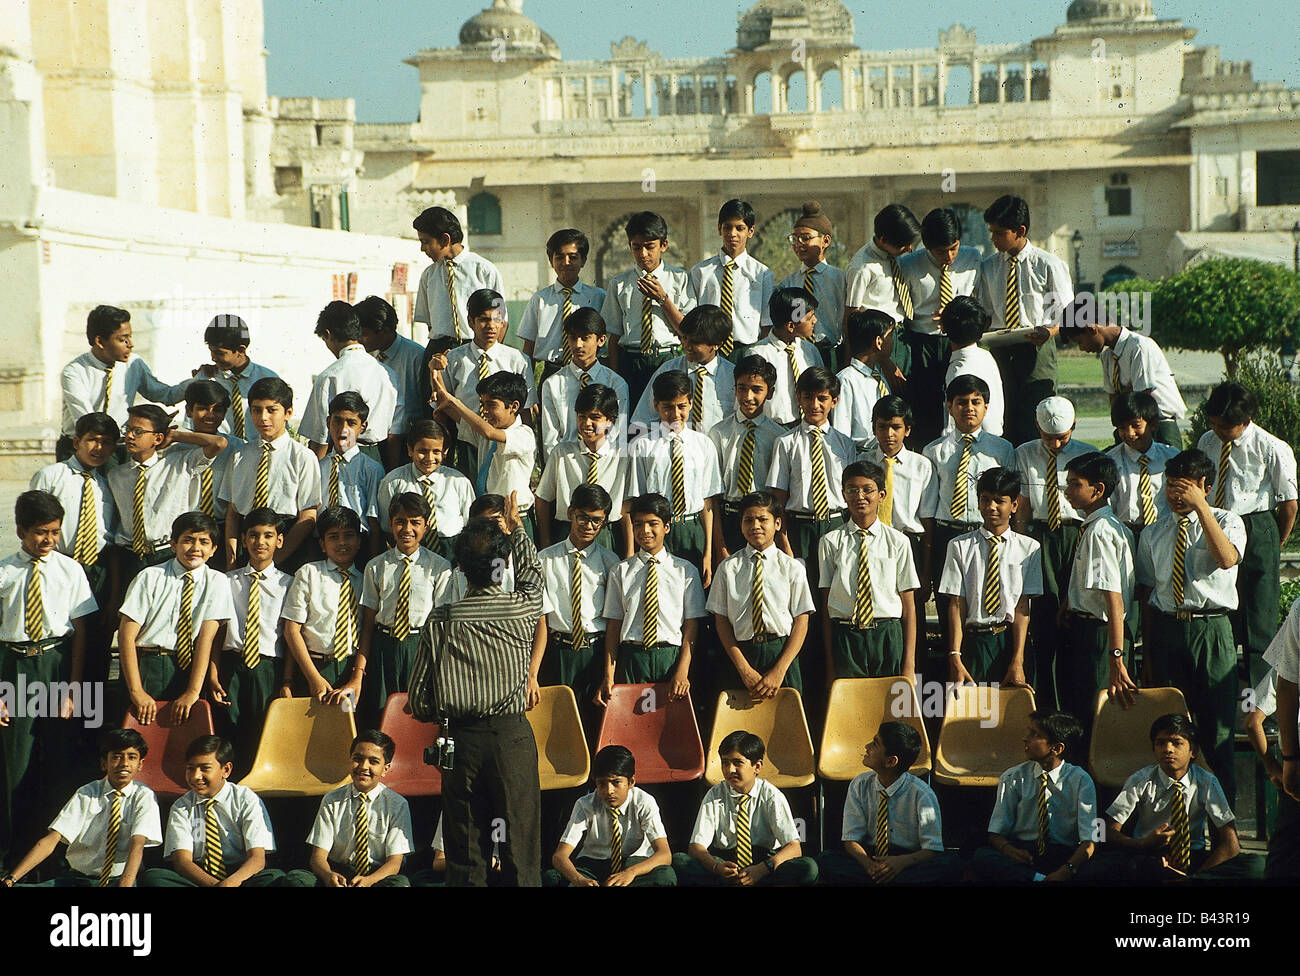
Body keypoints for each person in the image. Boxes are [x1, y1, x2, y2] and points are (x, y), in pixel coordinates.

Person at [408, 491, 544, 887]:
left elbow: (418, 700)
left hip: (459, 741)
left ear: (462, 568)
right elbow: (535, 576)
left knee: (466, 850)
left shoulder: (442, 618)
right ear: (501, 566)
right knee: (520, 843)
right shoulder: (521, 608)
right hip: (511, 737)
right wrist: (517, 531)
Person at [1136, 449, 1245, 803]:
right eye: (1169, 486)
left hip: (1211, 630)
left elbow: (1227, 559)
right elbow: (1149, 593)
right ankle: (1177, 818)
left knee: (1217, 730)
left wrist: (1201, 508)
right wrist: (1149, 654)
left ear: (1203, 486)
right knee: (1171, 729)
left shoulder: (1228, 521)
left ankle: (1223, 825)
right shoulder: (1154, 531)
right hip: (1169, 630)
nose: (1174, 494)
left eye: (1183, 487)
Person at [0, 491, 96, 860]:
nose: (49, 540)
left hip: (57, 664)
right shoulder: (6, 571)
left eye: (55, 532)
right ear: (22, 530)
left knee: (57, 764)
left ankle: (52, 857)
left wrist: (73, 689)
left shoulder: (70, 570)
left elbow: (81, 631)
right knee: (16, 767)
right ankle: (13, 853)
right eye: (41, 532)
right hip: (16, 668)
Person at [1196, 381, 1297, 690]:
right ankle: (1221, 693)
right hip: (1218, 527)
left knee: (1258, 620)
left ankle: (1257, 706)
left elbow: (1289, 503)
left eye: (1225, 426)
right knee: (1220, 609)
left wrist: (1272, 543)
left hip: (1257, 527)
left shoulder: (1271, 447)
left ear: (1245, 421)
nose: (1218, 431)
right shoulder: (1207, 441)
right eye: (1213, 424)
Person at [1079, 715, 1254, 882]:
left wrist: (1194, 878)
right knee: (1096, 869)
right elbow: (1107, 831)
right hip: (1148, 854)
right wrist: (1143, 844)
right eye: (1160, 743)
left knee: (1255, 866)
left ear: (1193, 751)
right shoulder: (1141, 780)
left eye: (1177, 743)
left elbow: (1231, 844)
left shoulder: (1207, 781)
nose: (1167, 749)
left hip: (1192, 855)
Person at [921, 373, 1016, 648]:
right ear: (949, 407)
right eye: (961, 402)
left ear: (986, 407)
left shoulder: (1001, 449)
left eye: (976, 402)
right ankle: (954, 662)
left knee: (986, 605)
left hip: (985, 533)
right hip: (947, 535)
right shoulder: (934, 451)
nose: (969, 408)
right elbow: (929, 506)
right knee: (950, 604)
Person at [1013, 396, 1096, 706]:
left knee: (1075, 613)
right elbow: (1022, 503)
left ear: (1074, 427)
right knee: (1044, 615)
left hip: (1076, 535)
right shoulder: (1024, 453)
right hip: (1040, 538)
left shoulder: (1088, 453)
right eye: (1049, 438)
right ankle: (1047, 701)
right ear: (1038, 427)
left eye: (1063, 437)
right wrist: (1022, 543)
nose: (1056, 444)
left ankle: (1076, 700)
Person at [2, 728, 161, 888]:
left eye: (131, 757)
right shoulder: (87, 792)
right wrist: (11, 880)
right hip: (78, 880)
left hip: (120, 880)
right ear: (104, 763)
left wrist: (124, 885)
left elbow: (137, 845)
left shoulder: (144, 795)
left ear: (140, 764)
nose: (124, 763)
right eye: (116, 757)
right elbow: (51, 840)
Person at [343, 493, 452, 724]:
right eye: (400, 521)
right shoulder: (376, 566)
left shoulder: (440, 568)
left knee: (419, 713)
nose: (407, 529)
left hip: (421, 646)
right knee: (382, 713)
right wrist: (359, 671)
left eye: (415, 522)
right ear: (390, 524)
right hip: (384, 647)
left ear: (427, 526)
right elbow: (369, 623)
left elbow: (442, 624)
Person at [117, 511, 233, 727]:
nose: (195, 548)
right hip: (148, 666)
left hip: (192, 669)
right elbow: (126, 635)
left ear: (214, 549)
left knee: (184, 741)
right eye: (187, 540)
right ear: (173, 544)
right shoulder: (150, 576)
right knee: (141, 734)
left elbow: (206, 639)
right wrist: (137, 690)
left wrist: (192, 691)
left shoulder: (217, 581)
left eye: (203, 542)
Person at [28, 412, 119, 686]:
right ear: (77, 441)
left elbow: (113, 534)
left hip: (97, 570)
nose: (98, 448)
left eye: (106, 442)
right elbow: (34, 523)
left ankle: (90, 722)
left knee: (96, 645)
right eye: (92, 440)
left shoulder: (110, 481)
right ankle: (54, 716)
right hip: (59, 564)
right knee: (59, 639)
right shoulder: (51, 475)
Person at [977, 195, 1073, 446]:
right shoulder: (988, 267)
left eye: (999, 233)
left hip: (1037, 348)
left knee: (1037, 414)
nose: (993, 240)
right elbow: (986, 312)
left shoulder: (1048, 265)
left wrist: (1050, 332)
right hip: (1000, 348)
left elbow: (1068, 313)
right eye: (991, 233)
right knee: (1002, 413)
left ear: (1020, 231)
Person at [817, 723, 960, 885]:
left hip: (908, 859)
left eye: (875, 744)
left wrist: (900, 863)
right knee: (826, 860)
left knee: (950, 863)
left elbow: (931, 849)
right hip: (870, 856)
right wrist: (869, 866)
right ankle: (885, 879)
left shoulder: (922, 794)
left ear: (891, 761)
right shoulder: (860, 784)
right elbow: (851, 841)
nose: (867, 747)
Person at [939, 467, 1041, 687]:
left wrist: (1018, 659)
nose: (991, 507)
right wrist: (955, 654)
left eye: (999, 501)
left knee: (1009, 714)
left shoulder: (1029, 548)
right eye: (985, 499)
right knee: (974, 714)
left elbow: (1022, 607)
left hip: (1008, 641)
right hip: (973, 642)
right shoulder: (959, 546)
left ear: (1014, 505)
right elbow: (957, 603)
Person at [674, 730, 818, 886]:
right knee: (680, 861)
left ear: (757, 766)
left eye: (737, 762)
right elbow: (696, 847)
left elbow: (794, 847)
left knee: (808, 867)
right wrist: (716, 867)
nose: (730, 770)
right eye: (725, 762)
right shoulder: (714, 794)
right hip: (727, 864)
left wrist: (762, 869)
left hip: (764, 863)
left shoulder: (771, 796)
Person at [599, 493, 706, 703]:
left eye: (652, 524)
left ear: (666, 526)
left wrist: (682, 670)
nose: (645, 531)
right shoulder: (620, 572)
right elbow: (614, 625)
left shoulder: (685, 570)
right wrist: (608, 675)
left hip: (670, 658)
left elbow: (691, 626)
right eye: (638, 524)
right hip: (632, 658)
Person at [818, 461, 919, 680]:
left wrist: (909, 665)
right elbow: (826, 604)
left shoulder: (898, 542)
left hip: (887, 634)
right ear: (843, 495)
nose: (859, 496)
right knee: (851, 709)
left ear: (881, 494)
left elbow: (909, 606)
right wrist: (829, 663)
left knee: (891, 709)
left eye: (867, 490)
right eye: (852, 490)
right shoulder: (830, 542)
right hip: (846, 635)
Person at [971, 711, 1097, 883]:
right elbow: (995, 834)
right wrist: (1009, 850)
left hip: (1064, 855)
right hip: (1025, 853)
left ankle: (1039, 879)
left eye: (1035, 735)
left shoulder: (1081, 780)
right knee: (982, 856)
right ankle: (1039, 879)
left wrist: (1066, 870)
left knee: (1107, 864)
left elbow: (1089, 841)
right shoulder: (1013, 777)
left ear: (1057, 748)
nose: (1025, 738)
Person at [208, 508, 290, 773]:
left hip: (268, 667)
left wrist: (287, 680)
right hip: (232, 663)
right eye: (253, 535)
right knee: (229, 734)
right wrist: (213, 672)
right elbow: (217, 632)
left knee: (263, 733)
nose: (260, 542)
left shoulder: (289, 583)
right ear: (243, 540)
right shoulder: (226, 581)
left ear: (279, 540)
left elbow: (290, 636)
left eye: (268, 535)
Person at [709, 491, 815, 696]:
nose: (755, 526)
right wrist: (744, 669)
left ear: (777, 523)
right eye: (748, 520)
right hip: (742, 655)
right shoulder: (728, 568)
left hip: (782, 655)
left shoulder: (792, 567)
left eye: (762, 519)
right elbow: (721, 620)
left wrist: (779, 670)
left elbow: (801, 621)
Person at [1060, 452, 1137, 730]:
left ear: (1098, 490)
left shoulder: (1100, 532)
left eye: (1075, 484)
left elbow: (1112, 598)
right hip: (1089, 630)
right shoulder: (1098, 526)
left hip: (1100, 637)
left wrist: (1116, 657)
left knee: (1094, 716)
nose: (1067, 491)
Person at [142, 735, 283, 887]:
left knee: (274, 877)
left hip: (241, 876)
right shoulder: (181, 806)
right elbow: (182, 861)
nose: (196, 776)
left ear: (226, 770)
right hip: (200, 878)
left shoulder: (246, 799)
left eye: (205, 768)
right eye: (190, 768)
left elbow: (257, 859)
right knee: (154, 877)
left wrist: (229, 884)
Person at [533, 485, 621, 727]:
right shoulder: (545, 559)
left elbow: (614, 620)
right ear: (571, 513)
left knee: (595, 723)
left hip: (595, 651)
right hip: (558, 651)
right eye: (583, 517)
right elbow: (541, 618)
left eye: (596, 521)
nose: (589, 526)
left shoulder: (610, 561)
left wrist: (608, 673)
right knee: (558, 724)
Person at [282, 730, 415, 887]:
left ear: (385, 769)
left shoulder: (397, 804)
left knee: (400, 884)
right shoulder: (332, 800)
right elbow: (318, 857)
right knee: (296, 879)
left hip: (376, 876)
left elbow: (394, 862)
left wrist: (369, 881)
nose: (363, 767)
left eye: (373, 762)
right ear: (350, 760)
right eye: (357, 759)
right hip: (338, 873)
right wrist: (328, 875)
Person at [107, 403, 225, 580]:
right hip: (129, 556)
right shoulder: (116, 475)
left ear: (157, 438)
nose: (130, 436)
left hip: (166, 554)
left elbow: (218, 443)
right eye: (128, 429)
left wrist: (175, 435)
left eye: (138, 431)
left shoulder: (178, 464)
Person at [896, 208, 982, 446]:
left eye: (954, 248)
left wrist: (955, 313)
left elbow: (978, 300)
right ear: (927, 246)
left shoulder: (972, 258)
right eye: (942, 251)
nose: (950, 256)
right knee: (926, 408)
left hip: (960, 341)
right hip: (922, 342)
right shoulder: (908, 265)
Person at [220, 376, 322, 570]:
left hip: (285, 547)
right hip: (247, 544)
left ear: (288, 412)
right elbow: (233, 513)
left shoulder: (302, 457)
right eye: (256, 410)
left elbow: (308, 516)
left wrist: (274, 562)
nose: (263, 417)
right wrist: (231, 562)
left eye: (271, 410)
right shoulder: (240, 455)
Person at [768, 367, 857, 584]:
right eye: (808, 397)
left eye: (822, 398)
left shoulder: (845, 443)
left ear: (834, 401)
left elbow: (853, 493)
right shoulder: (786, 442)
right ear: (798, 397)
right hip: (800, 529)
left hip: (836, 524)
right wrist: (784, 541)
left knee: (836, 589)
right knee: (804, 592)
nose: (814, 405)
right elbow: (779, 497)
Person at [626, 370, 722, 573]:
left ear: (691, 403)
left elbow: (708, 503)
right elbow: (633, 500)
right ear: (656, 406)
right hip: (655, 529)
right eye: (667, 407)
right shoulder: (642, 446)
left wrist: (708, 552)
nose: (675, 414)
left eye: (681, 406)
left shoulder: (703, 445)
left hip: (692, 530)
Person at [58, 304, 185, 456]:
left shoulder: (134, 364)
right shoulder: (74, 372)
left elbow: (164, 394)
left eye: (130, 337)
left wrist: (196, 382)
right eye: (123, 339)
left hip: (120, 448)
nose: (130, 344)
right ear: (100, 341)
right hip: (80, 448)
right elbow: (87, 422)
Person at [544, 745, 676, 887]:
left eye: (616, 782)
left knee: (666, 877)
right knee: (552, 878)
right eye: (601, 783)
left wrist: (630, 873)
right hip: (593, 866)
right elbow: (560, 856)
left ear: (631, 782)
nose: (609, 791)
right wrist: (579, 880)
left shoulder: (644, 802)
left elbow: (664, 854)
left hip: (635, 864)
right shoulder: (585, 804)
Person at [602, 211, 695, 405]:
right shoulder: (620, 284)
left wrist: (663, 299)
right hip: (632, 360)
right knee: (635, 421)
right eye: (637, 247)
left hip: (667, 357)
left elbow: (687, 329)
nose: (643, 254)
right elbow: (614, 336)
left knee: (667, 415)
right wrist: (614, 376)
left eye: (649, 246)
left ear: (663, 245)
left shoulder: (680, 279)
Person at [431, 369, 537, 540]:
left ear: (514, 406)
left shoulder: (523, 435)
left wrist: (455, 401)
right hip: (487, 516)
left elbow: (487, 432)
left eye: (492, 405)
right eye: (483, 404)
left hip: (514, 518)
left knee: (516, 565)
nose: (485, 411)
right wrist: (435, 374)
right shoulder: (486, 430)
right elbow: (450, 407)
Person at [442, 287, 537, 474]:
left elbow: (526, 410)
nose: (491, 326)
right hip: (468, 441)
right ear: (470, 321)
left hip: (505, 442)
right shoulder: (453, 359)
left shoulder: (517, 360)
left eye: (497, 319)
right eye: (484, 320)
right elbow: (445, 403)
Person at [282, 506, 365, 702]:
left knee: (348, 727)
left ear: (359, 541)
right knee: (312, 730)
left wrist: (356, 677)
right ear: (322, 544)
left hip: (351, 672)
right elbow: (291, 630)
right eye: (333, 537)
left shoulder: (366, 579)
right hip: (314, 667)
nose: (342, 542)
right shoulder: (309, 573)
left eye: (348, 535)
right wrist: (314, 678)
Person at [299, 301, 400, 460]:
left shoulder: (330, 376)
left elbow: (320, 438)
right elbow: (396, 429)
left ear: (328, 334)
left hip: (340, 453)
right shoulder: (387, 373)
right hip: (378, 455)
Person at [536, 384, 630, 554]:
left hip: (606, 533)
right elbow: (543, 498)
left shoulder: (622, 456)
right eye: (581, 416)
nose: (587, 423)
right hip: (567, 531)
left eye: (595, 417)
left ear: (611, 421)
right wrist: (546, 541)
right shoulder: (562, 453)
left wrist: (629, 551)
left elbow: (626, 507)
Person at [1069, 311, 1185, 448]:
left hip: (1159, 425)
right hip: (1128, 427)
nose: (1082, 348)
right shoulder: (1107, 357)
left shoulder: (1139, 346)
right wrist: (1127, 392)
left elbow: (1140, 398)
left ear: (1091, 328)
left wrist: (1124, 395)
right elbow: (1113, 398)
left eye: (1079, 341)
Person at [709, 356, 785, 558]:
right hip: (730, 518)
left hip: (764, 521)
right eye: (742, 388)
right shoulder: (718, 433)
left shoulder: (778, 436)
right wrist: (720, 545)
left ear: (770, 393)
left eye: (756, 389)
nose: (747, 396)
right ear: (734, 389)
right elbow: (713, 495)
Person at [859, 397, 935, 594]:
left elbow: (927, 521)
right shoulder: (863, 463)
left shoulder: (921, 466)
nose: (889, 434)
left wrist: (926, 572)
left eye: (895, 427)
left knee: (910, 608)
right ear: (874, 428)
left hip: (908, 542)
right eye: (882, 427)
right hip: (870, 539)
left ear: (907, 430)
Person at [377, 418, 475, 562]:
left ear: (445, 452)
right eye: (422, 451)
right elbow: (386, 525)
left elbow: (470, 523)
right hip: (410, 549)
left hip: (451, 551)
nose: (429, 458)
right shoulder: (393, 481)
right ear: (410, 450)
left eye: (436, 451)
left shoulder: (458, 481)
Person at [537, 307, 628, 459]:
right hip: (566, 461)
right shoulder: (553, 384)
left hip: (604, 461)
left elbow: (618, 432)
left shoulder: (616, 383)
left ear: (601, 340)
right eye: (573, 337)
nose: (578, 344)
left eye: (585, 338)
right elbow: (550, 437)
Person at [688, 199, 774, 357]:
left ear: (750, 231)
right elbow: (693, 316)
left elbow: (767, 322)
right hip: (710, 350)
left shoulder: (762, 273)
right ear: (719, 229)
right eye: (727, 227)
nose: (732, 234)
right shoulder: (701, 271)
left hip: (747, 349)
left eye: (740, 228)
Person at [632, 304, 735, 434]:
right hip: (674, 450)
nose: (687, 346)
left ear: (717, 344)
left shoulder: (732, 377)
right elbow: (644, 420)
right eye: (684, 338)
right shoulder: (667, 370)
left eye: (695, 342)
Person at [413, 205, 505, 345]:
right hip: (439, 349)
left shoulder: (484, 270)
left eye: (426, 242)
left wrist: (488, 355)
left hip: (473, 347)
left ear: (445, 240)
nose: (422, 249)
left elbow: (501, 320)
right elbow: (430, 324)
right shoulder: (429, 275)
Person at [518, 228, 606, 371]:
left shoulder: (598, 296)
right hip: (553, 370)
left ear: (583, 260)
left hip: (589, 370)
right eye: (559, 257)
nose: (566, 262)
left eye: (572, 257)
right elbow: (529, 346)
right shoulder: (540, 299)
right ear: (551, 261)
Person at [177, 379, 243, 567]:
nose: (211, 415)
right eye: (203, 408)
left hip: (223, 530)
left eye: (218, 409)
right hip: (186, 532)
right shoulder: (175, 447)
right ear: (189, 410)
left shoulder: (237, 448)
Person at [356, 295, 426, 469]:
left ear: (385, 331)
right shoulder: (363, 355)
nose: (359, 340)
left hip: (406, 441)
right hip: (371, 440)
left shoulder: (416, 356)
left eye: (364, 335)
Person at [192, 313, 280, 443]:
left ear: (241, 350)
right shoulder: (207, 378)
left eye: (220, 353)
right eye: (211, 351)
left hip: (257, 454)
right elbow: (192, 424)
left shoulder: (267, 378)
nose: (213, 358)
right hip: (218, 454)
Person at [319, 391, 385, 560]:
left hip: (359, 546)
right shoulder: (318, 467)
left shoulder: (371, 469)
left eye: (351, 423)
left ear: (362, 426)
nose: (343, 429)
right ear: (328, 422)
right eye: (338, 421)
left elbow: (373, 521)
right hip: (322, 545)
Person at [745, 287, 825, 426]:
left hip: (806, 427)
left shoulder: (810, 350)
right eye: (810, 317)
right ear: (791, 326)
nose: (815, 320)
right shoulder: (758, 353)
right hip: (772, 428)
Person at [780, 200, 846, 367]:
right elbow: (795, 320)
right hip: (799, 353)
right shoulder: (789, 283)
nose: (799, 244)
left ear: (825, 241)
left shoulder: (840, 279)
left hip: (832, 354)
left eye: (806, 238)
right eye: (794, 239)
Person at [1105, 392, 1180, 536]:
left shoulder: (1172, 457)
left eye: (1136, 425)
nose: (1130, 433)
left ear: (1153, 424)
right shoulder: (1111, 462)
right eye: (1122, 428)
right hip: (1126, 532)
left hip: (1165, 533)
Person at [844, 203, 921, 331]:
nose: (909, 249)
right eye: (904, 245)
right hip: (877, 335)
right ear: (883, 240)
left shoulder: (896, 257)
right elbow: (851, 314)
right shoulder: (862, 268)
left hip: (902, 331)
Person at [832, 309, 897, 450]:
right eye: (890, 336)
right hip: (860, 456)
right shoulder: (846, 380)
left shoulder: (879, 377)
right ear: (878, 342)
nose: (892, 342)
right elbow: (841, 434)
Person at [941, 295, 1004, 439]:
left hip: (971, 445)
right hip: (994, 439)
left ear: (943, 327)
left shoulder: (959, 371)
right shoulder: (985, 356)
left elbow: (955, 425)